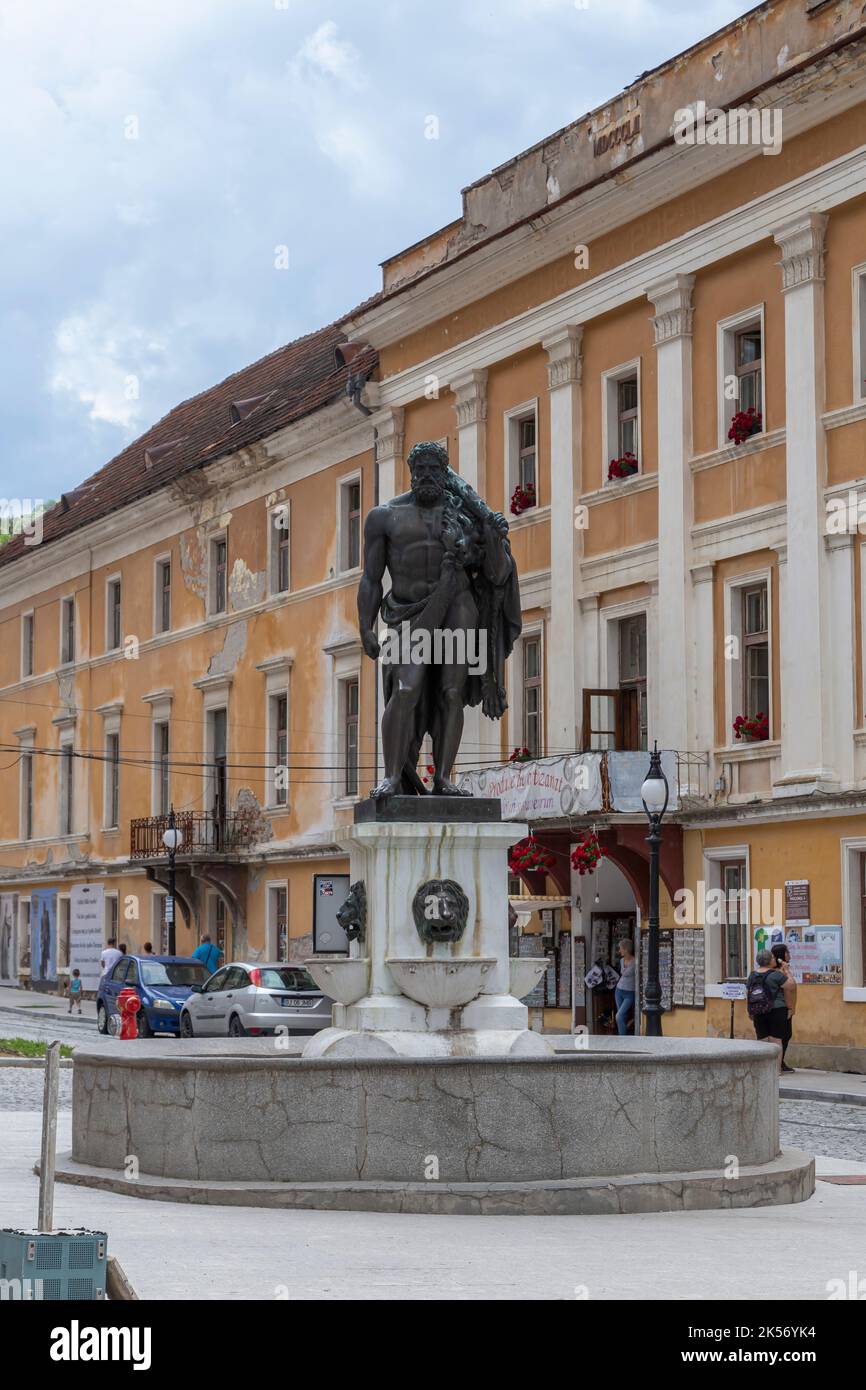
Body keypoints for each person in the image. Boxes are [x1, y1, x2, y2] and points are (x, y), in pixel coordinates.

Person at [746, 949, 795, 1071]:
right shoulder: (775, 974)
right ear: (769, 961)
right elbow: (791, 986)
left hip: (758, 1010)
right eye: (773, 958)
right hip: (777, 1010)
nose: (774, 959)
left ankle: (764, 1069)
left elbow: (748, 993)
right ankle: (776, 1070)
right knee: (776, 1040)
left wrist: (750, 1011)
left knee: (762, 1040)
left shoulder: (752, 975)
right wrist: (787, 971)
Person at [771, 942, 797, 1074]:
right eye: (787, 952)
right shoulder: (781, 972)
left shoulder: (782, 970)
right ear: (782, 955)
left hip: (785, 1008)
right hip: (783, 1008)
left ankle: (780, 1062)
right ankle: (778, 1063)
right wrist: (790, 1008)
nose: (789, 954)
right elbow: (788, 990)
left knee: (785, 1035)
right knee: (783, 1036)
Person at [614, 938, 636, 1035]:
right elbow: (624, 973)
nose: (619, 951)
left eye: (621, 949)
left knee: (619, 1016)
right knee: (621, 1016)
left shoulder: (635, 961)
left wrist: (624, 971)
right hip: (619, 990)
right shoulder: (621, 960)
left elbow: (625, 972)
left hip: (629, 992)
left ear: (626, 949)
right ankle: (623, 1036)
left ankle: (622, 1037)